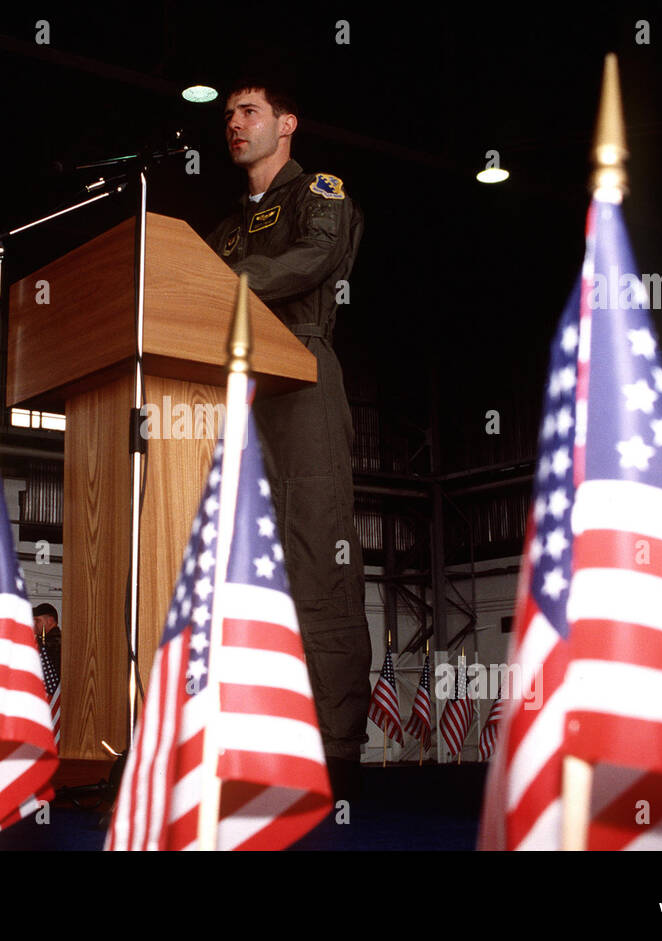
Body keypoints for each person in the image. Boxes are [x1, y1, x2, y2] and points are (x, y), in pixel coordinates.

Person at [205, 81, 370, 795]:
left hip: (299, 377)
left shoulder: (319, 193)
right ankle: (247, 736)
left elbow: (315, 259)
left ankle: (335, 748)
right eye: (228, 116)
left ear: (288, 123)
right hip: (234, 392)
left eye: (249, 113)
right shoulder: (225, 227)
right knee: (235, 561)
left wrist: (226, 280)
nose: (234, 125)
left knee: (316, 554)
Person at [32, 603, 61, 678]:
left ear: (50, 621)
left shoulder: (52, 643)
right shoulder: (61, 640)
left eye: (37, 621)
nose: (34, 624)